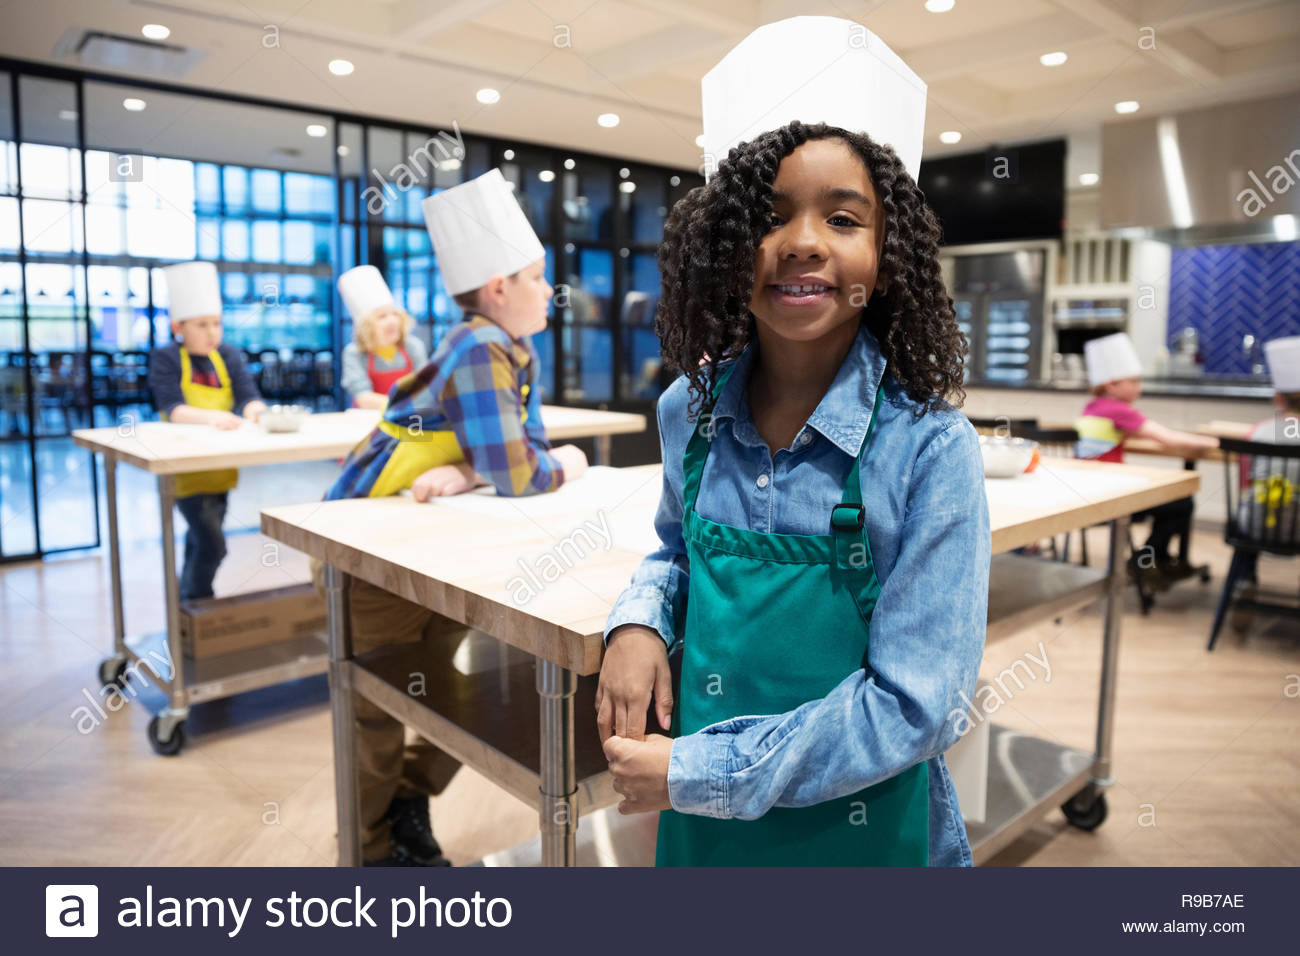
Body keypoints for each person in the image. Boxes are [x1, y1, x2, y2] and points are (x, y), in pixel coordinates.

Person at [595, 16, 989, 867]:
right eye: (770, 219)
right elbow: (676, 551)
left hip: (862, 833)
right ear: (730, 249)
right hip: (704, 836)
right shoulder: (686, 413)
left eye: (844, 219)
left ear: (887, 256)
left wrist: (699, 771)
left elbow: (919, 708)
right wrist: (636, 623)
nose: (804, 241)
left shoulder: (930, 450)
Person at [321, 169, 589, 867]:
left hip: (434, 542)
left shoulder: (513, 349)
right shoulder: (479, 347)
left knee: (444, 694)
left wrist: (473, 469)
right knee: (377, 713)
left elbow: (507, 455)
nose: (548, 290)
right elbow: (527, 470)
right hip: (371, 548)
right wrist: (571, 463)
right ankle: (371, 854)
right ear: (499, 287)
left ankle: (407, 804)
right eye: (536, 277)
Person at [147, 261, 266, 601]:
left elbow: (247, 396)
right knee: (214, 545)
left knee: (200, 539)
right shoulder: (166, 357)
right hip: (184, 468)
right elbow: (173, 408)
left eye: (216, 323)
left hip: (220, 467)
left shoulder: (227, 354)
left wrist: (260, 413)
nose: (212, 332)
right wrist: (213, 417)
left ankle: (189, 613)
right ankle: (197, 603)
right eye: (202, 325)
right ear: (178, 327)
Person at [1076, 332, 1218, 586]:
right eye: (1134, 382)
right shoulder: (1119, 410)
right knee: (1181, 503)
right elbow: (1168, 439)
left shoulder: (1093, 407)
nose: (1139, 388)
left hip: (1085, 490)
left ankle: (1156, 560)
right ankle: (1147, 559)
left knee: (1172, 502)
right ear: (1111, 385)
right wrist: (1215, 442)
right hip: (1109, 495)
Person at [1231, 335, 1300, 622]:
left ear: (1278, 397)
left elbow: (1244, 484)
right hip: (1297, 530)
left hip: (1255, 527)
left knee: (1250, 506)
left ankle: (1245, 578)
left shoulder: (1257, 433)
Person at [338, 265, 428, 409]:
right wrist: (406, 405)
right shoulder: (354, 353)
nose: (392, 321)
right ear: (366, 327)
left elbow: (425, 388)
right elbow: (363, 398)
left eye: (394, 314)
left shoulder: (413, 346)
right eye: (382, 316)